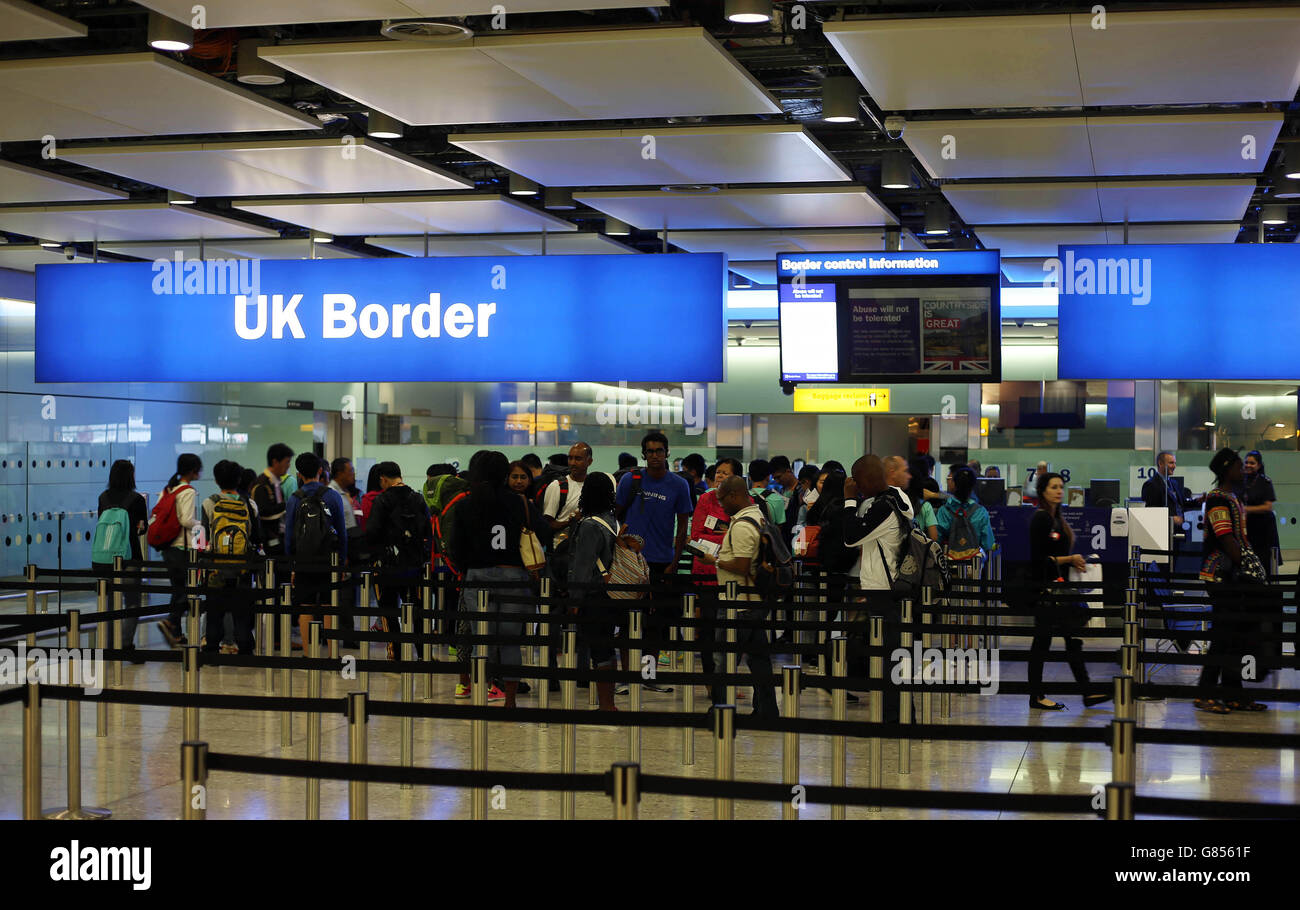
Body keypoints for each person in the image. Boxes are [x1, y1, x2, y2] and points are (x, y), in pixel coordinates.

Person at [450, 451, 546, 706]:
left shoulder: (465, 504)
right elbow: (543, 533)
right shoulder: (520, 502)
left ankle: (483, 695)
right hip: (514, 576)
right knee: (510, 641)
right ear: (505, 474)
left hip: (477, 577)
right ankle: (511, 700)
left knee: (483, 643)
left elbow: (455, 547)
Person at [1026, 471, 1109, 711]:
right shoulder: (1041, 519)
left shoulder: (1056, 519)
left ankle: (1086, 692)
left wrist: (1074, 560)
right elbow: (1040, 559)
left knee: (1070, 641)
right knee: (1043, 644)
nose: (1059, 491)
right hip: (1047, 591)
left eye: (1061, 487)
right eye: (1053, 487)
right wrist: (1070, 558)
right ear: (1043, 492)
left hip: (1059, 590)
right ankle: (1038, 696)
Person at [615, 431, 692, 692]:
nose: (655, 456)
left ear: (667, 452)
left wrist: (675, 561)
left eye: (659, 450)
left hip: (661, 562)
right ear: (643, 454)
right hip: (630, 562)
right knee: (625, 623)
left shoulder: (679, 485)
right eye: (650, 451)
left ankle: (648, 676)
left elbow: (682, 527)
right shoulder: (630, 480)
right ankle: (625, 677)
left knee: (654, 625)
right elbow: (617, 514)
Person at [698, 475, 779, 718]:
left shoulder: (742, 525)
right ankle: (767, 710)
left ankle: (720, 709)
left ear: (734, 496)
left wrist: (715, 560)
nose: (720, 504)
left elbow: (743, 565)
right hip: (754, 602)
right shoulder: (759, 517)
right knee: (759, 660)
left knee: (723, 660)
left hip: (739, 603)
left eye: (722, 499)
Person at [1195, 449, 1268, 714]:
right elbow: (1226, 537)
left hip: (1232, 575)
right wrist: (1247, 564)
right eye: (1239, 467)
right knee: (1223, 635)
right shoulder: (1217, 500)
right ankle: (1204, 694)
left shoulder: (1232, 497)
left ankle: (1233, 693)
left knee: (1236, 636)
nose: (1243, 471)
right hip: (1220, 575)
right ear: (1227, 470)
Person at [841, 455, 910, 720]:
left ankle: (896, 716)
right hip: (891, 585)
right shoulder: (899, 498)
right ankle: (898, 713)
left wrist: (849, 499)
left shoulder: (883, 507)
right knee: (890, 653)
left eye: (858, 482)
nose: (856, 487)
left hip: (883, 588)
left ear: (868, 479)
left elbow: (851, 537)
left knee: (890, 654)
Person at [365, 461, 431, 661]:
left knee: (389, 610)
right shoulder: (418, 498)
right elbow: (427, 530)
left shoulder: (382, 500)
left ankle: (396, 654)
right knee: (416, 610)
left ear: (383, 479)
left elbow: (373, 532)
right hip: (414, 565)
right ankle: (422, 653)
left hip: (387, 566)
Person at [689, 457, 743, 699]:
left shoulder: (746, 502)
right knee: (709, 629)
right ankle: (711, 680)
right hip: (707, 573)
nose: (719, 476)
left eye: (725, 473)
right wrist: (726, 537)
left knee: (732, 630)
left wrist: (719, 538)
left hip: (733, 575)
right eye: (718, 472)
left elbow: (744, 541)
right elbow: (696, 536)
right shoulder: (705, 499)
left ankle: (728, 679)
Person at [566, 472, 621, 711]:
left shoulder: (588, 526)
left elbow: (583, 566)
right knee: (606, 648)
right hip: (612, 594)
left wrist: (574, 599)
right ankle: (609, 703)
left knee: (599, 651)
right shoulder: (613, 520)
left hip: (593, 594)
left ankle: (607, 705)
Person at [284, 453, 348, 650]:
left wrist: (292, 565)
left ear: (298, 474)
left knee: (306, 606)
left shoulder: (295, 499)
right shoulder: (332, 496)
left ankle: (308, 652)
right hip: (328, 559)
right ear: (321, 471)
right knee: (329, 606)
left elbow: (289, 536)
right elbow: (342, 532)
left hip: (303, 560)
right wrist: (342, 560)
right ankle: (332, 653)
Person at [201, 459, 259, 656]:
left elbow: (204, 539)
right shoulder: (249, 504)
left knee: (214, 611)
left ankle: (211, 648)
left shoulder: (209, 503)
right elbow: (256, 536)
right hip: (242, 566)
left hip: (216, 566)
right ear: (239, 479)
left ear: (217, 480)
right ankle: (244, 647)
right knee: (242, 610)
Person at [93, 459, 148, 660]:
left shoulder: (103, 498)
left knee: (107, 603)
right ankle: (125, 645)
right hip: (129, 558)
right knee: (132, 602)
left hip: (103, 560)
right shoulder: (137, 499)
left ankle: (108, 646)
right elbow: (143, 529)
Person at [154, 453, 202, 647]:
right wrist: (202, 525)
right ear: (192, 471)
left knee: (178, 589)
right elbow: (186, 520)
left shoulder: (168, 489)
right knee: (186, 589)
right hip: (182, 547)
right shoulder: (188, 491)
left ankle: (176, 634)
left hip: (167, 547)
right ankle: (171, 620)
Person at [936, 465, 995, 558]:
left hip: (949, 563)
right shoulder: (981, 512)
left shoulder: (944, 511)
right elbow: (988, 544)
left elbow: (936, 539)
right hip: (974, 564)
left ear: (954, 484)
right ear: (973, 486)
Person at [249, 443, 293, 557]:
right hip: (269, 543)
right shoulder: (261, 485)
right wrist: (287, 505)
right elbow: (262, 512)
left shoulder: (276, 483)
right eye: (287, 462)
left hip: (280, 539)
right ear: (275, 462)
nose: (289, 465)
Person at [1240, 451, 1280, 575]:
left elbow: (1268, 507)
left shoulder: (1265, 482)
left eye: (1252, 463)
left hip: (1264, 530)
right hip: (1248, 529)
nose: (1248, 465)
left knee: (1265, 564)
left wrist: (1246, 509)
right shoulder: (1240, 481)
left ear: (1259, 465)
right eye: (1246, 462)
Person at [747, 459, 786, 526]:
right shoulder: (776, 499)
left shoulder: (743, 497)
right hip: (768, 535)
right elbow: (780, 526)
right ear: (768, 477)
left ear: (750, 477)